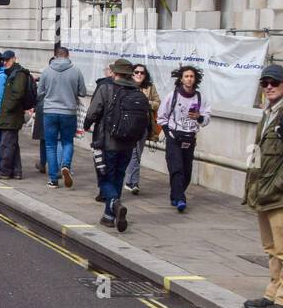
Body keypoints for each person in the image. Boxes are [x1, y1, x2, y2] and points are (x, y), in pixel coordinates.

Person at [242, 65, 283, 308]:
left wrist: (273, 186)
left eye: (274, 82)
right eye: (265, 82)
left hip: (279, 195)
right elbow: (256, 152)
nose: (269, 86)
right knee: (271, 248)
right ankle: (273, 293)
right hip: (264, 193)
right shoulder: (268, 112)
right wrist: (252, 187)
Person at [82, 59, 151, 233]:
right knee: (119, 177)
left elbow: (93, 111)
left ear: (115, 73)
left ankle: (114, 203)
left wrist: (87, 123)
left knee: (104, 177)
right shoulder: (138, 91)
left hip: (107, 141)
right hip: (128, 143)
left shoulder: (106, 88)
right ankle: (109, 216)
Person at [155, 64, 211, 212]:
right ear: (181, 79)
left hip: (190, 138)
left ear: (195, 79)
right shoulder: (172, 96)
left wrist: (199, 117)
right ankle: (180, 199)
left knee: (187, 172)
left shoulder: (200, 97)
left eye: (191, 76)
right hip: (174, 137)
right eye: (186, 76)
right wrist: (169, 134)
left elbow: (207, 118)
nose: (189, 79)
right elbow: (161, 117)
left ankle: (175, 194)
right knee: (176, 168)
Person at [38, 45, 88, 188]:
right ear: (68, 56)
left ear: (55, 56)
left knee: (50, 145)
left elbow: (40, 92)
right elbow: (83, 92)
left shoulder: (46, 71)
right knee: (67, 142)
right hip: (68, 112)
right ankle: (65, 165)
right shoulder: (76, 71)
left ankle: (53, 179)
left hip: (50, 112)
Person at [123, 64, 161, 195]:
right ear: (131, 74)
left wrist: (147, 102)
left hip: (143, 125)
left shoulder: (149, 87)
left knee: (137, 153)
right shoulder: (126, 86)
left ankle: (131, 181)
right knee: (133, 153)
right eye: (136, 72)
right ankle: (132, 182)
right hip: (128, 125)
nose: (139, 74)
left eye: (142, 73)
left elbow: (157, 103)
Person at [0, 50, 31, 180]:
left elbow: (17, 94)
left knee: (6, 145)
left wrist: (7, 109)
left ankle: (5, 171)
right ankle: (16, 171)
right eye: (3, 60)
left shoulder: (18, 74)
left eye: (7, 60)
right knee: (12, 144)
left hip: (12, 115)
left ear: (14, 59)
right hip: (9, 114)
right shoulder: (12, 73)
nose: (5, 62)